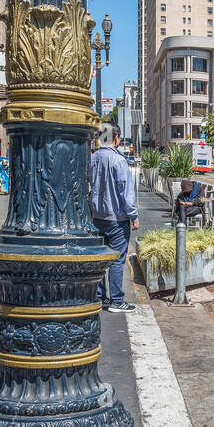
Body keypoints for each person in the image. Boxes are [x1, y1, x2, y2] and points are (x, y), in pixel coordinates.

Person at [89, 122, 138, 312]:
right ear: (116, 138)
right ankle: (117, 300)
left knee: (100, 259)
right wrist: (133, 216)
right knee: (117, 260)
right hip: (117, 218)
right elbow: (126, 192)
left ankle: (101, 298)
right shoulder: (118, 161)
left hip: (97, 217)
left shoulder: (93, 158)